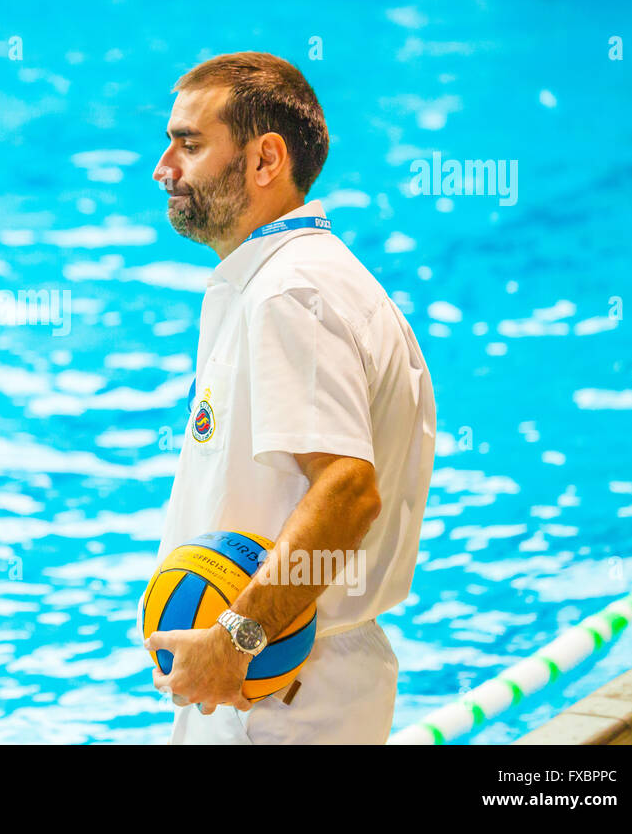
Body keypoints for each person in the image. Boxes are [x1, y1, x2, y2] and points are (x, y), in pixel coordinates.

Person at [143, 52, 437, 744]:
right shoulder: (295, 280)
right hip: (282, 689)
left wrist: (237, 637)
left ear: (265, 160)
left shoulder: (289, 294)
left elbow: (347, 491)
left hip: (276, 702)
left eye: (189, 143)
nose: (164, 167)